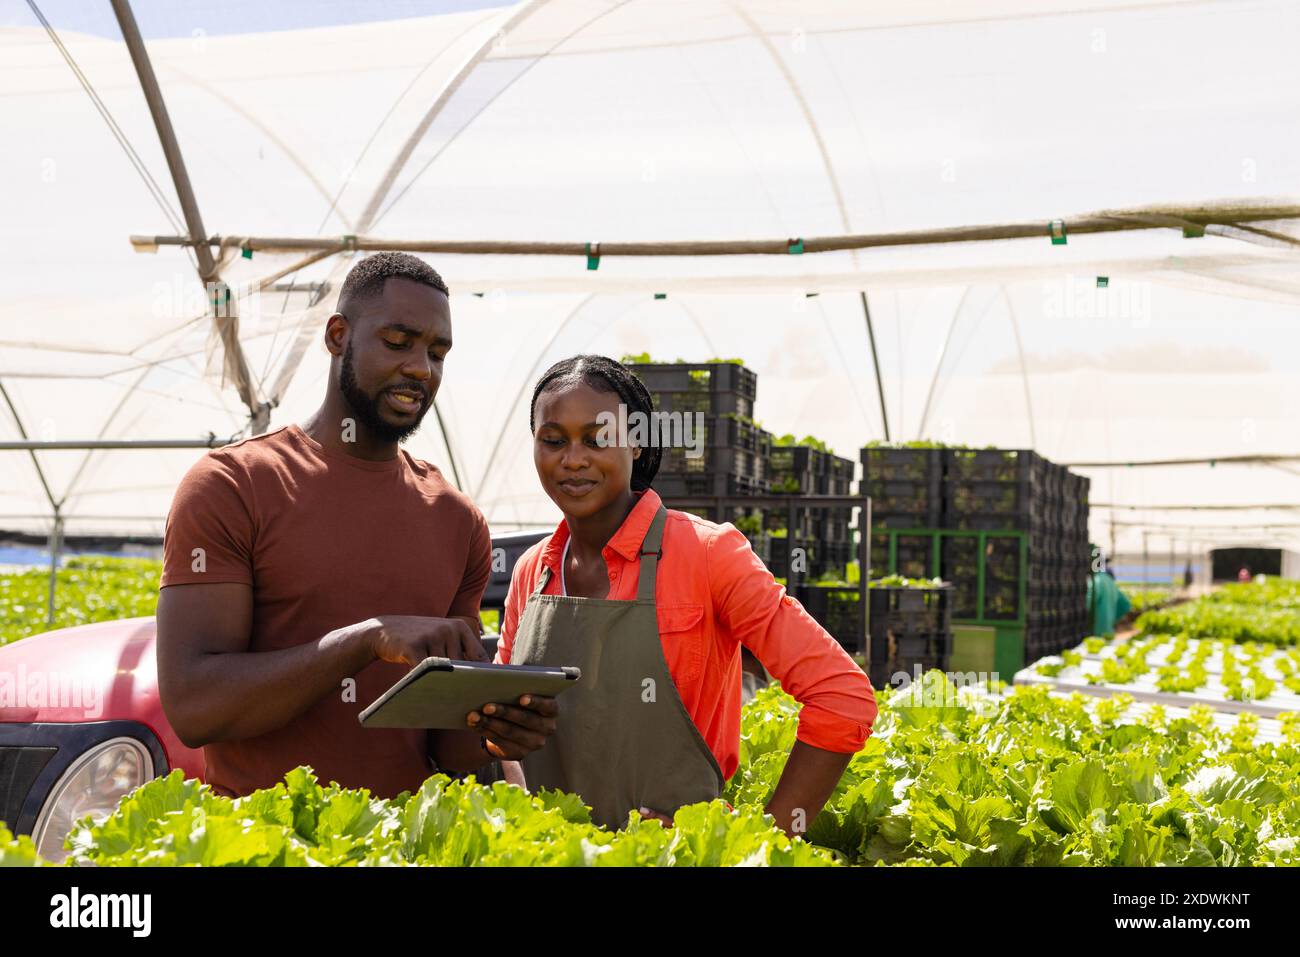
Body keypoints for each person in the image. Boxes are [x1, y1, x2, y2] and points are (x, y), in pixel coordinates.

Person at [156, 252, 551, 798]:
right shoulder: (232, 485)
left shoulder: (457, 520)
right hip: (266, 849)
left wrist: (495, 730)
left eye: (437, 353)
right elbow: (195, 707)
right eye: (398, 342)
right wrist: (366, 640)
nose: (421, 368)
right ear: (338, 335)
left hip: (402, 849)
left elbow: (445, 747)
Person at [491, 355, 878, 836]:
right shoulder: (531, 572)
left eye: (598, 438)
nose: (573, 458)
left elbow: (842, 694)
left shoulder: (708, 554)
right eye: (553, 440)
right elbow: (507, 733)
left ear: (636, 442)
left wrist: (757, 843)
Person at [1087, 556, 1132, 638]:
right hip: (1109, 631)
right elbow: (1126, 604)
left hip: (1096, 632)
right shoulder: (1110, 582)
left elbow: (1087, 604)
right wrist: (1113, 618)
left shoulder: (1096, 581)